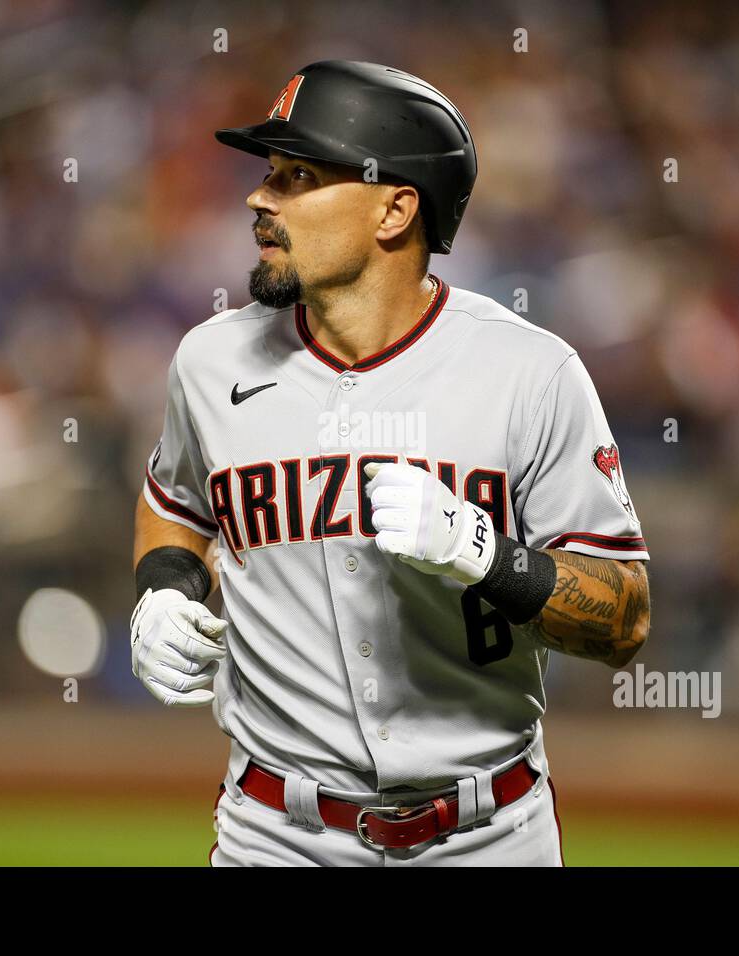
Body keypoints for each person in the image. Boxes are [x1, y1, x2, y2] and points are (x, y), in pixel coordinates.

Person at [130, 60, 651, 866]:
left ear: (395, 208)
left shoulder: (530, 374)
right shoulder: (209, 362)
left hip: (488, 835)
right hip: (276, 835)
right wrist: (164, 587)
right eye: (268, 173)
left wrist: (487, 557)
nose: (259, 199)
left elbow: (623, 619)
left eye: (299, 175)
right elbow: (176, 502)